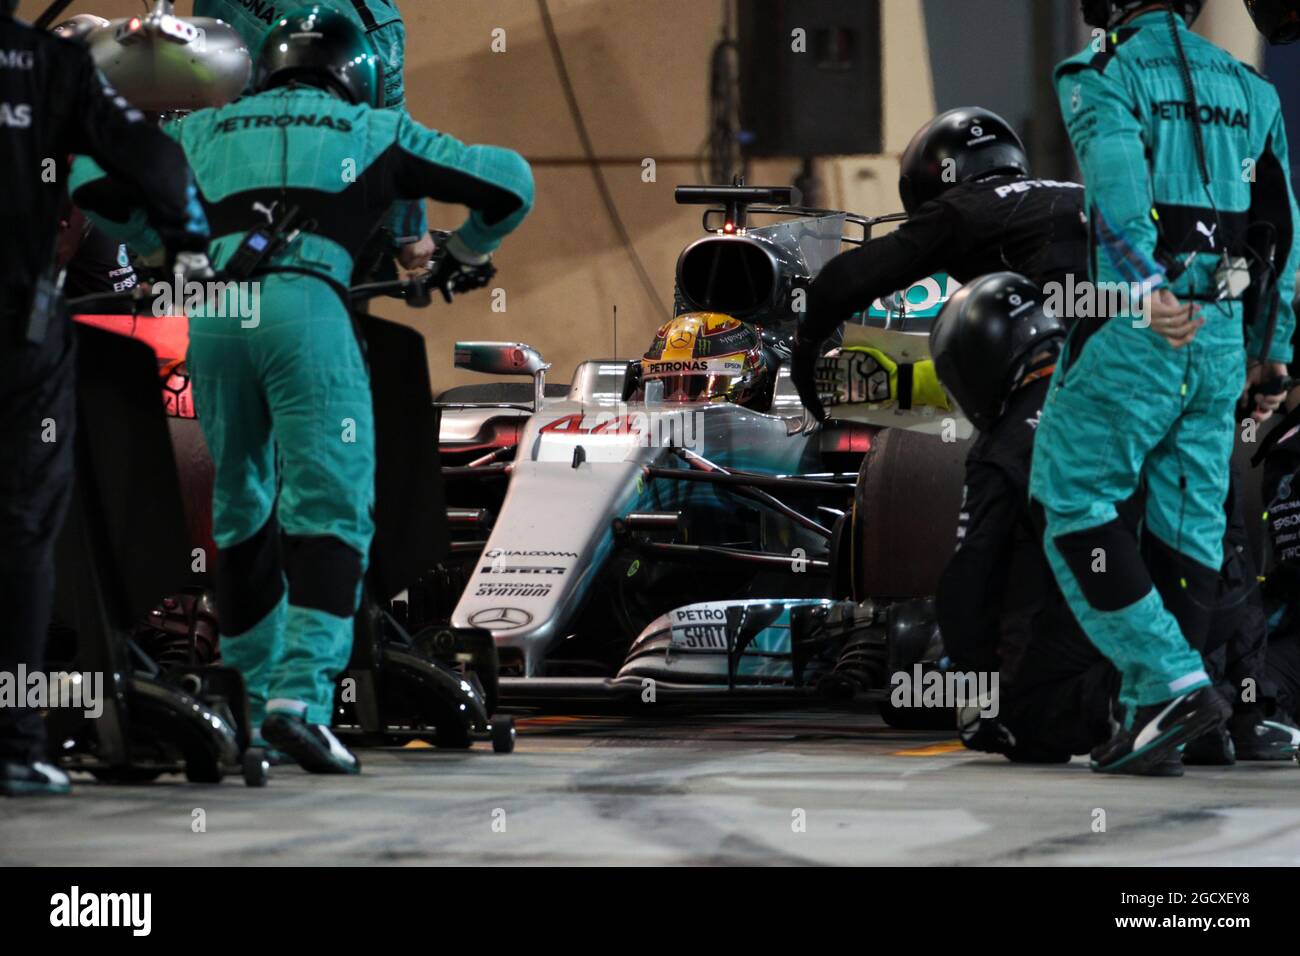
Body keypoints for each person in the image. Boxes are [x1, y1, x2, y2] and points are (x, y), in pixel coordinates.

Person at [73, 4, 532, 774]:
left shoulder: (203, 130)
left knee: (240, 507)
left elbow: (92, 179)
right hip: (309, 311)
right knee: (330, 507)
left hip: (216, 316)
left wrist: (160, 251)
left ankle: (250, 708)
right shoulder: (372, 129)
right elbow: (509, 183)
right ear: (357, 75)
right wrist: (461, 253)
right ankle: (302, 701)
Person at [1029, 0, 1299, 774]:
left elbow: (1117, 204)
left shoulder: (1103, 71)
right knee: (1190, 526)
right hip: (1218, 337)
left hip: (1148, 319)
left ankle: (1167, 684)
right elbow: (1280, 225)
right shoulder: (1252, 88)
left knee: (1070, 494)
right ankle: (1191, 717)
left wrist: (1145, 292)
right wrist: (1271, 350)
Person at [0, 1, 210, 796]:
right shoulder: (49, 69)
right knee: (20, 534)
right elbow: (158, 165)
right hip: (20, 338)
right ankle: (14, 745)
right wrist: (190, 254)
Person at [930, 273, 1129, 765]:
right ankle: (1190, 689)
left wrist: (978, 684)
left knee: (1020, 722)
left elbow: (970, 577)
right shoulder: (1125, 404)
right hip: (1187, 628)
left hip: (1076, 645)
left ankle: (1119, 699)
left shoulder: (1001, 448)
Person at [789, 106, 1086, 420]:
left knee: (997, 462)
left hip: (1076, 387)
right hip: (1130, 358)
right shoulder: (1077, 193)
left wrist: (805, 352)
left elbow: (844, 281)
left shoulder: (964, 209)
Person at [194, 0, 433, 272]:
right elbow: (391, 132)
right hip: (307, 215)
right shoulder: (370, 19)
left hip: (204, 178)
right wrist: (410, 230)